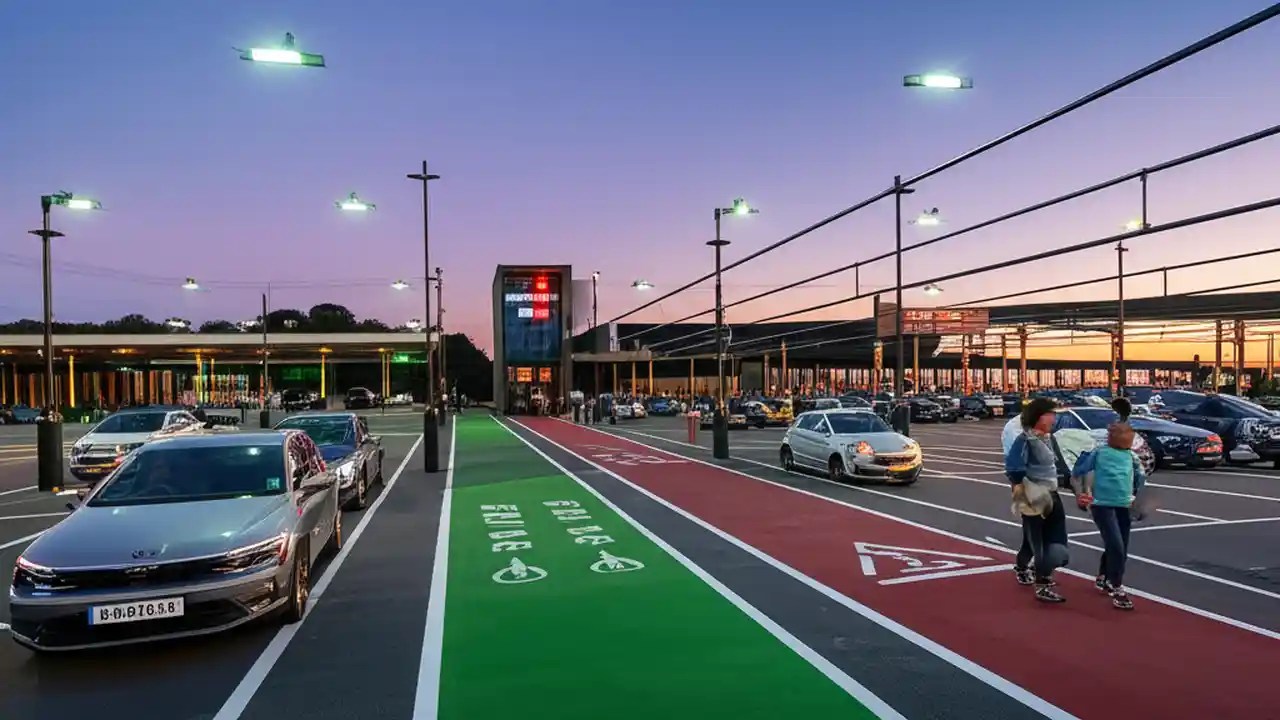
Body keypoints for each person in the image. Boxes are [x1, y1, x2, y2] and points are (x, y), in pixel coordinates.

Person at [1005, 397, 1070, 602]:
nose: (1054, 418)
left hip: (1052, 493)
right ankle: (1042, 582)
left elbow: (1060, 467)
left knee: (1051, 538)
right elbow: (1014, 467)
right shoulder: (1025, 440)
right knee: (1037, 540)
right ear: (1039, 417)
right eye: (1050, 414)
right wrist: (1023, 487)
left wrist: (1076, 487)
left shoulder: (1050, 439)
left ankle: (1022, 566)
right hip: (1034, 496)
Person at [1075, 422, 1144, 610]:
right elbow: (1079, 470)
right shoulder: (1099, 453)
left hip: (1124, 505)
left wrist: (1138, 499)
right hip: (1102, 505)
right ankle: (1118, 587)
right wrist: (1081, 493)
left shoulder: (1131, 457)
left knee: (1121, 545)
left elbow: (1140, 478)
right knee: (1115, 545)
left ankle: (1104, 576)